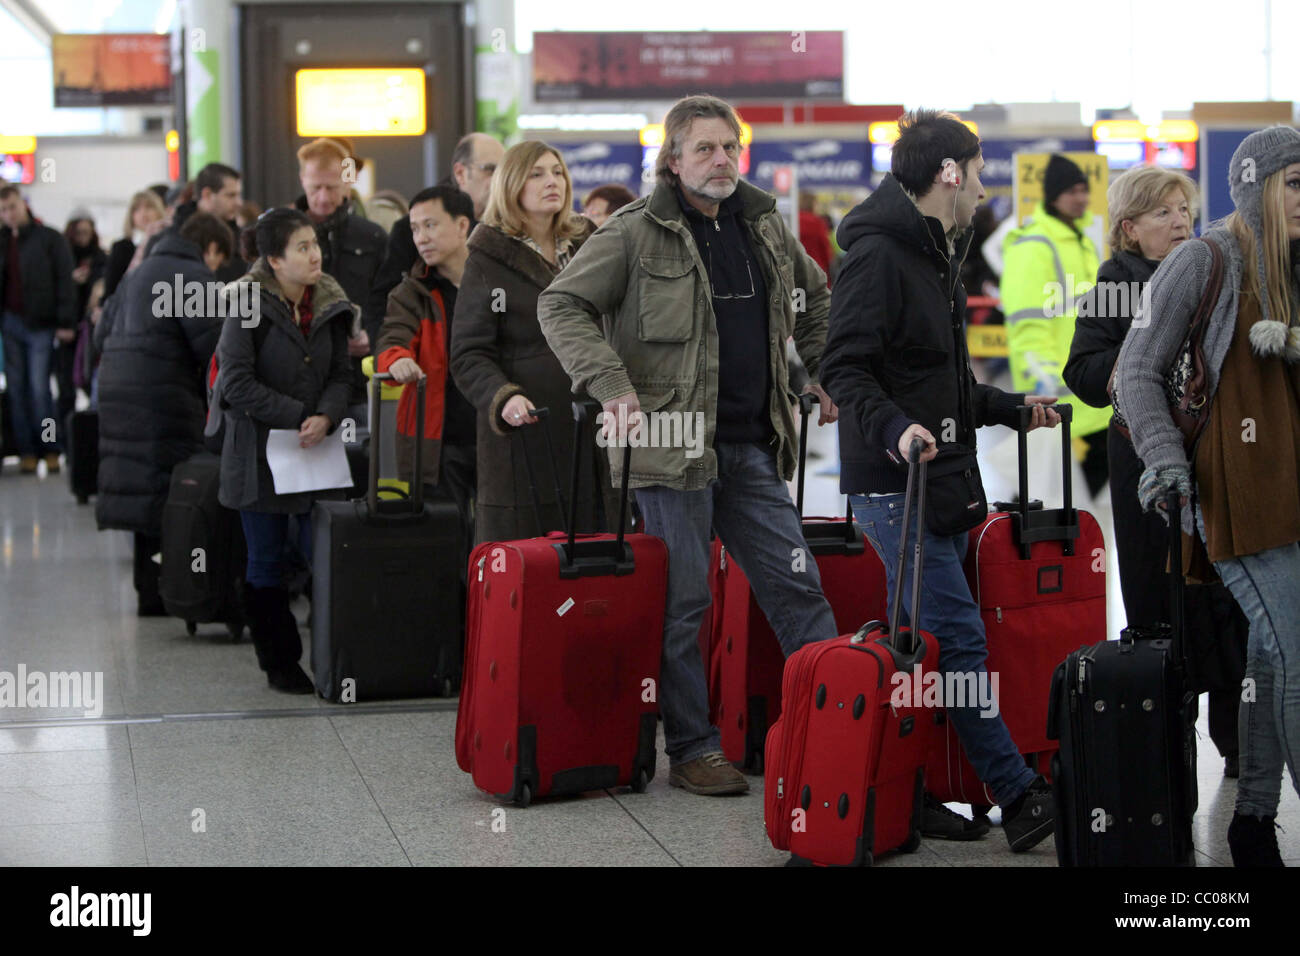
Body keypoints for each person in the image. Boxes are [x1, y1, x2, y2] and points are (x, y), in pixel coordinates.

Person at [538, 95, 840, 797]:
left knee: (795, 584)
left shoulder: (763, 225)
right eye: (704, 149)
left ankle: (836, 722)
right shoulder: (634, 233)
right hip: (669, 451)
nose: (722, 160)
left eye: (730, 147)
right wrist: (611, 385)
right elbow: (560, 305)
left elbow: (816, 298)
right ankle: (694, 746)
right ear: (672, 161)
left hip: (753, 444)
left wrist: (822, 369)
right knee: (685, 603)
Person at [819, 109, 1063, 852]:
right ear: (948, 173)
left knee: (933, 642)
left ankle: (911, 785)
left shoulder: (935, 253)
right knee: (957, 640)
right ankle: (1020, 797)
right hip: (898, 487)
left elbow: (939, 383)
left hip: (943, 479)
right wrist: (895, 430)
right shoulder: (880, 256)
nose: (986, 182)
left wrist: (1009, 410)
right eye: (980, 167)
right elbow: (844, 367)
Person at [1115, 126, 1300, 867]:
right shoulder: (1204, 258)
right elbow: (1133, 373)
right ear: (1256, 185)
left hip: (1288, 484)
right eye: (1292, 183)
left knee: (1270, 658)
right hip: (1232, 490)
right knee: (1295, 651)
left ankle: (1252, 818)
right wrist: (1165, 466)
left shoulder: (1291, 263)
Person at [1065, 166, 1249, 779]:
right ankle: (1162, 759)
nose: (1180, 222)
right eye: (1164, 212)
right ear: (1129, 228)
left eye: (1185, 210)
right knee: (1160, 604)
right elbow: (1084, 374)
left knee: (1227, 606)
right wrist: (1147, 351)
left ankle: (1239, 751)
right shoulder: (1116, 285)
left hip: (1217, 462)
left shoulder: (1211, 274)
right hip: (1147, 465)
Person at [213, 208, 355, 693]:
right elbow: (235, 382)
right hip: (258, 454)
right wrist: (298, 415)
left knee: (322, 552)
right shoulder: (246, 304)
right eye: (301, 247)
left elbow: (342, 374)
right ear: (273, 259)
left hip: (318, 450)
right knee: (266, 559)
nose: (315, 254)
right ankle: (279, 662)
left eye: (314, 244)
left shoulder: (332, 302)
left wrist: (328, 416)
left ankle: (334, 652)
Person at [450, 140, 615, 544]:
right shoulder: (487, 257)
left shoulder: (587, 242)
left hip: (592, 423)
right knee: (532, 565)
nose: (552, 182)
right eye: (537, 174)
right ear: (511, 184)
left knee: (597, 559)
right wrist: (503, 398)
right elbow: (469, 354)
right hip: (527, 433)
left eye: (557, 172)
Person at [95, 213, 233, 614]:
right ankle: (175, 590)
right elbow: (214, 353)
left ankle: (149, 591)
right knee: (172, 490)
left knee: (143, 489)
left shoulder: (137, 272)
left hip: (119, 392)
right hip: (166, 396)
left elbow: (101, 335)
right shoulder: (193, 277)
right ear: (210, 249)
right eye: (218, 260)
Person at [375, 184, 478, 562]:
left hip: (498, 433)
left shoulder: (495, 284)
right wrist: (398, 359)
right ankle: (450, 621)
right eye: (415, 229)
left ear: (463, 225)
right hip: (438, 439)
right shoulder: (412, 292)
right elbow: (390, 340)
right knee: (446, 546)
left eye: (431, 225)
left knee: (497, 544)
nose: (421, 238)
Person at [1001, 154, 1110, 497]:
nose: (1081, 198)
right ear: (1052, 196)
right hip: (1058, 393)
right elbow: (1026, 322)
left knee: (1063, 488)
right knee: (1048, 490)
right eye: (1072, 191)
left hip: (1086, 392)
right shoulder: (1034, 245)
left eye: (1084, 190)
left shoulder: (1081, 242)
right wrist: (1042, 385)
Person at [367, 133, 505, 328]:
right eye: (490, 170)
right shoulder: (409, 231)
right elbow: (383, 305)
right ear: (460, 173)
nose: (498, 180)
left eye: (502, 172)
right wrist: (390, 356)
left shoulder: (507, 229)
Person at [293, 138, 387, 408]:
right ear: (302, 180)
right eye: (316, 187)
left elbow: (389, 299)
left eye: (331, 187)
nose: (323, 197)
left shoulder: (372, 237)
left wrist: (371, 333)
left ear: (348, 180)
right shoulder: (282, 236)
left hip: (358, 377)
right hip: (300, 376)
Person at [0, 185, 76, 473]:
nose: (9, 214)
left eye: (12, 207)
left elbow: (64, 281)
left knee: (39, 388)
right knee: (16, 389)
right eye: (3, 210)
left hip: (41, 324)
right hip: (10, 322)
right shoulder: (3, 241)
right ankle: (26, 450)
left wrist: (65, 321)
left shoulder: (48, 239)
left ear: (24, 205)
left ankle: (50, 447)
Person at [146, 163, 247, 282]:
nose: (239, 202)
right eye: (231, 195)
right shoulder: (166, 239)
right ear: (207, 195)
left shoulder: (241, 241)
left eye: (238, 195)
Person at [59, 210, 106, 421]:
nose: (83, 237)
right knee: (66, 387)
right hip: (67, 329)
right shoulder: (62, 257)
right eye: (79, 232)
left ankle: (86, 439)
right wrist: (71, 281)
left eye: (87, 232)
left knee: (91, 382)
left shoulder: (100, 258)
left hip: (91, 330)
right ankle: (63, 442)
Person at [104, 190, 166, 298]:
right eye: (137, 209)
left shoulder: (167, 243)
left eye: (149, 207)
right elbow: (111, 288)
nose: (143, 213)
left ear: (159, 211)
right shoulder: (121, 247)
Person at [797, 191, 833, 280]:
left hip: (797, 268)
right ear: (812, 204)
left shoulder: (793, 221)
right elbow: (825, 248)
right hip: (817, 269)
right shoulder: (817, 222)